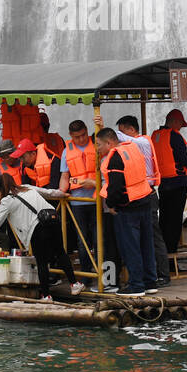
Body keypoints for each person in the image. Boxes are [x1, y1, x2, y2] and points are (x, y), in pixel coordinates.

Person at [0, 175, 84, 301]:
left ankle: (46, 295)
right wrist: (62, 195)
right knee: (61, 252)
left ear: (2, 189)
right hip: (53, 219)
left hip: (37, 228)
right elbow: (48, 192)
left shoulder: (7, 201)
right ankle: (74, 284)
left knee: (41, 261)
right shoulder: (26, 188)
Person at [96, 127, 156, 296]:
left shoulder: (115, 157)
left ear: (109, 142)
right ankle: (150, 282)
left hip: (127, 206)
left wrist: (111, 204)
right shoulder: (133, 148)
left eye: (99, 145)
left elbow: (115, 185)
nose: (98, 148)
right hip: (144, 201)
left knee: (131, 247)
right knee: (146, 245)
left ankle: (136, 285)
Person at [116, 115, 169, 286]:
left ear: (131, 130)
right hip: (138, 196)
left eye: (122, 131)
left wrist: (106, 130)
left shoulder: (142, 142)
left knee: (153, 236)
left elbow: (121, 140)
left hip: (147, 195)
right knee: (142, 237)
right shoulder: (135, 143)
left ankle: (162, 274)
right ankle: (147, 275)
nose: (121, 136)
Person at [59, 119, 106, 282]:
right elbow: (65, 177)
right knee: (82, 240)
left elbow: (106, 169)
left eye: (83, 135)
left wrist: (102, 126)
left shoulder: (96, 144)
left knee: (98, 237)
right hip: (77, 202)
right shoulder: (67, 151)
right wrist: (60, 193)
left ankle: (102, 275)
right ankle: (86, 275)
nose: (81, 139)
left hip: (96, 200)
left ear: (87, 131)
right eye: (77, 137)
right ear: (71, 136)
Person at [150, 109, 187, 258]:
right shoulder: (175, 136)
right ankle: (171, 257)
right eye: (181, 124)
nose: (181, 127)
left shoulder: (155, 136)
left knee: (164, 220)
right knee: (174, 223)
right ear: (175, 122)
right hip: (177, 183)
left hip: (162, 184)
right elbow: (183, 160)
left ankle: (161, 257)